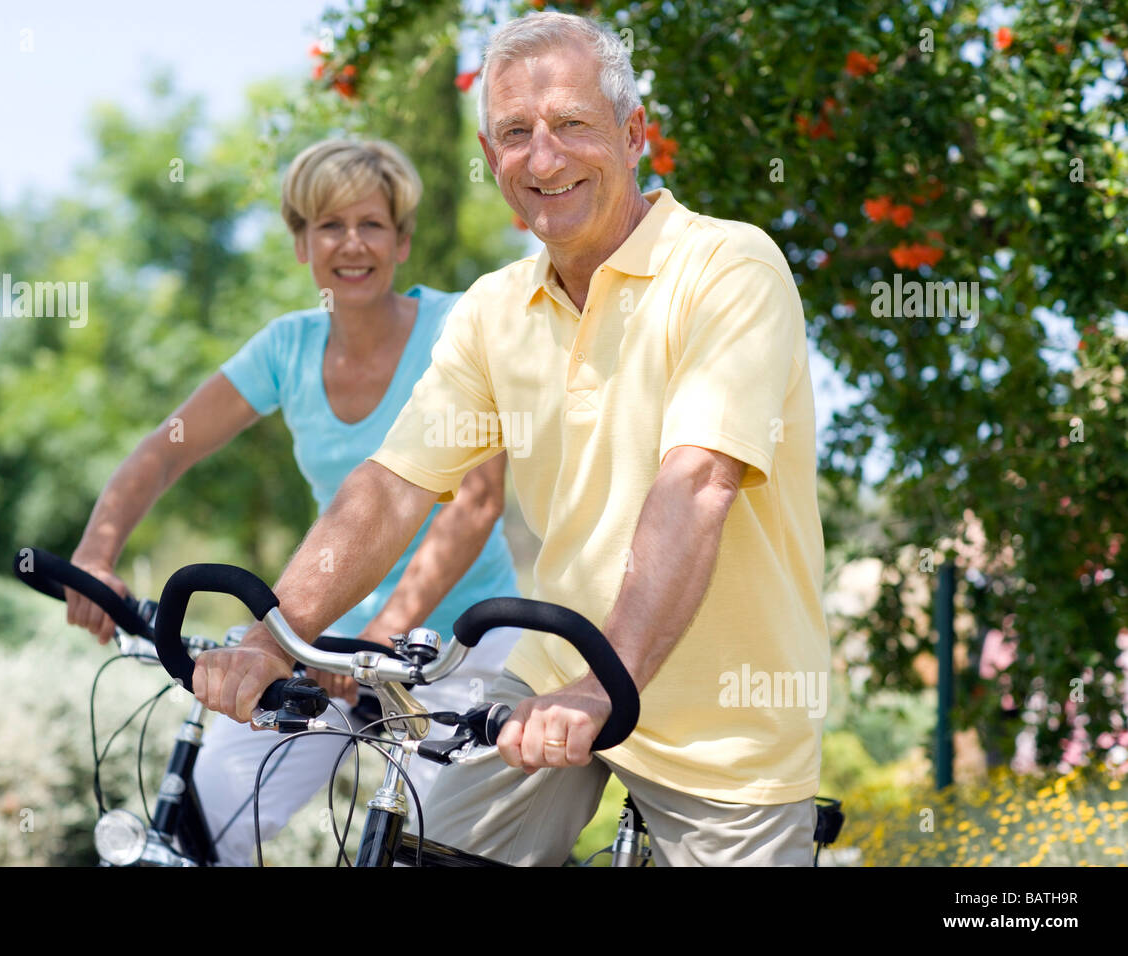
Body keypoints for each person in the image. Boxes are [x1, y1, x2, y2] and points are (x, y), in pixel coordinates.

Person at [193, 10, 830, 866]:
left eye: (572, 125)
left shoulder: (728, 268)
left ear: (634, 134)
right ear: (491, 160)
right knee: (427, 850)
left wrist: (608, 683)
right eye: (515, 135)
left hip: (725, 719)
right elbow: (392, 487)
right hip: (547, 677)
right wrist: (272, 635)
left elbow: (696, 484)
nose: (544, 157)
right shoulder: (495, 309)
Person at [65, 138, 521, 866]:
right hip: (327, 630)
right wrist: (97, 553)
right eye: (327, 225)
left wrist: (388, 630)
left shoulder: (456, 327)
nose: (351, 243)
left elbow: (476, 500)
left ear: (402, 240)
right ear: (301, 244)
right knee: (201, 828)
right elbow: (168, 446)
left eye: (371, 224)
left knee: (440, 849)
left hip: (460, 637)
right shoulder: (287, 347)